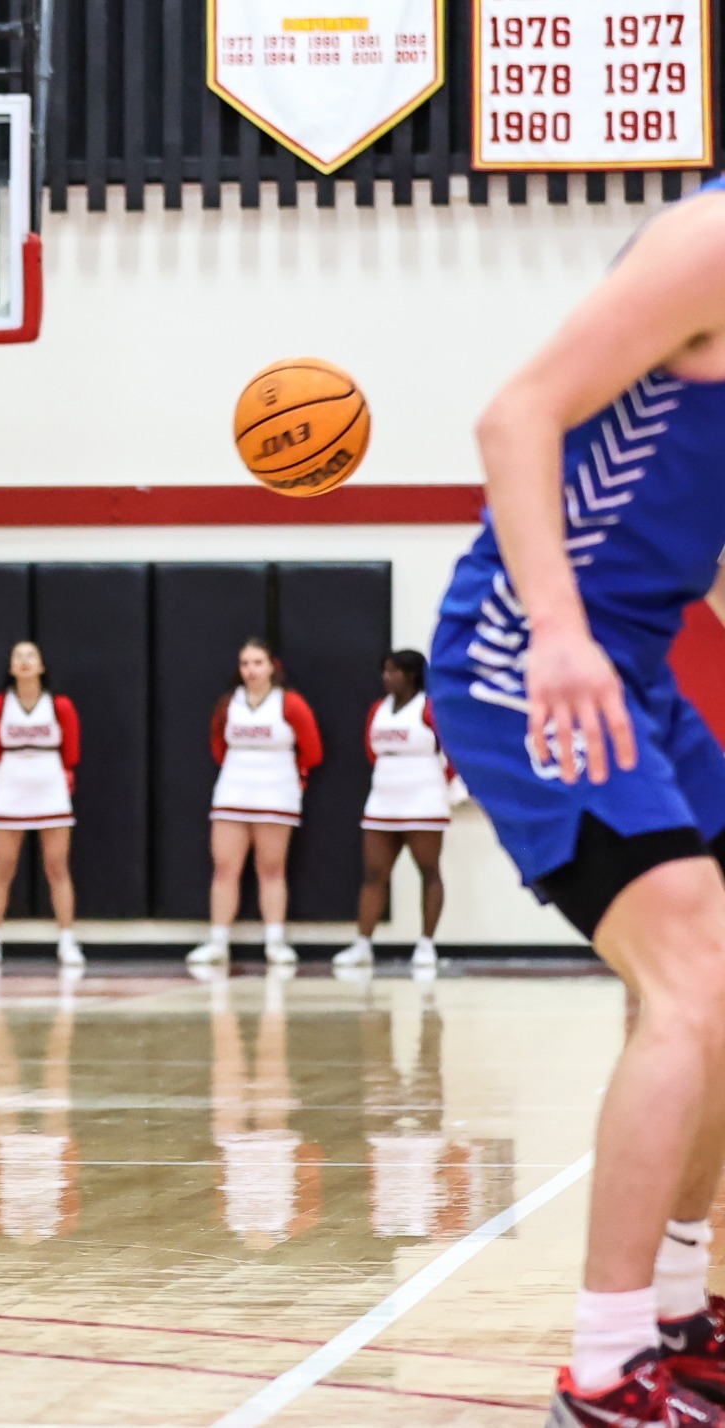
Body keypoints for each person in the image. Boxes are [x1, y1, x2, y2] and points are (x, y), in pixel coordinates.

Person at [427, 180, 725, 1424]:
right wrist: (554, 628)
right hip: (526, 657)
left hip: (639, 663)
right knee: (693, 965)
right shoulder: (712, 239)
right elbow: (515, 417)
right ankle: (604, 1372)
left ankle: (676, 1314)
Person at [187, 639, 323, 969]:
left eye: (257, 662)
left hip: (276, 792)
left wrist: (293, 778)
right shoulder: (227, 704)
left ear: (272, 666)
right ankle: (218, 942)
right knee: (224, 868)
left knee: (272, 869)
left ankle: (275, 943)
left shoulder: (290, 704)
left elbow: (313, 750)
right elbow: (218, 745)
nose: (250, 670)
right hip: (233, 791)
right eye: (245, 663)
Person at [334, 651, 451, 972]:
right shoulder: (378, 709)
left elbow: (451, 752)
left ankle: (426, 945)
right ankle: (362, 946)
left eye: (393, 672)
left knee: (428, 870)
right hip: (384, 798)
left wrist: (445, 788)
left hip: (423, 798)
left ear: (411, 675)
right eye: (385, 671)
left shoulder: (429, 708)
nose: (386, 677)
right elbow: (372, 750)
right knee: (374, 872)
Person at [0, 641, 82, 969]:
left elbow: (72, 751)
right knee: (3, 867)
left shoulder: (60, 705)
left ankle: (67, 942)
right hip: (11, 786)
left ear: (41, 666)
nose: (23, 662)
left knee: (57, 867)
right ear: (10, 668)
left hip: (49, 785)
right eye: (17, 657)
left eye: (30, 657)